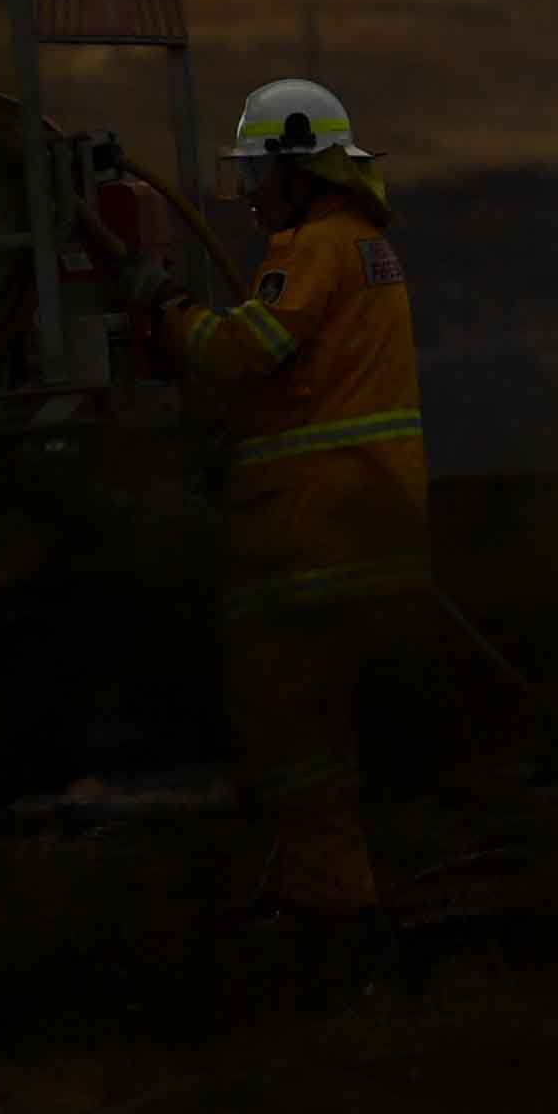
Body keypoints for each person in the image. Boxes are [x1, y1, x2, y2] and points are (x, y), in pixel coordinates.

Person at [160, 77, 426, 917]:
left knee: (286, 726)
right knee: (323, 722)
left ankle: (332, 899)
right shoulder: (367, 245)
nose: (246, 199)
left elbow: (245, 350)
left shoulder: (310, 248)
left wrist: (160, 310)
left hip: (307, 531)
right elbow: (308, 380)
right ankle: (318, 880)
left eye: (255, 177)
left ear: (299, 170)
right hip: (367, 518)